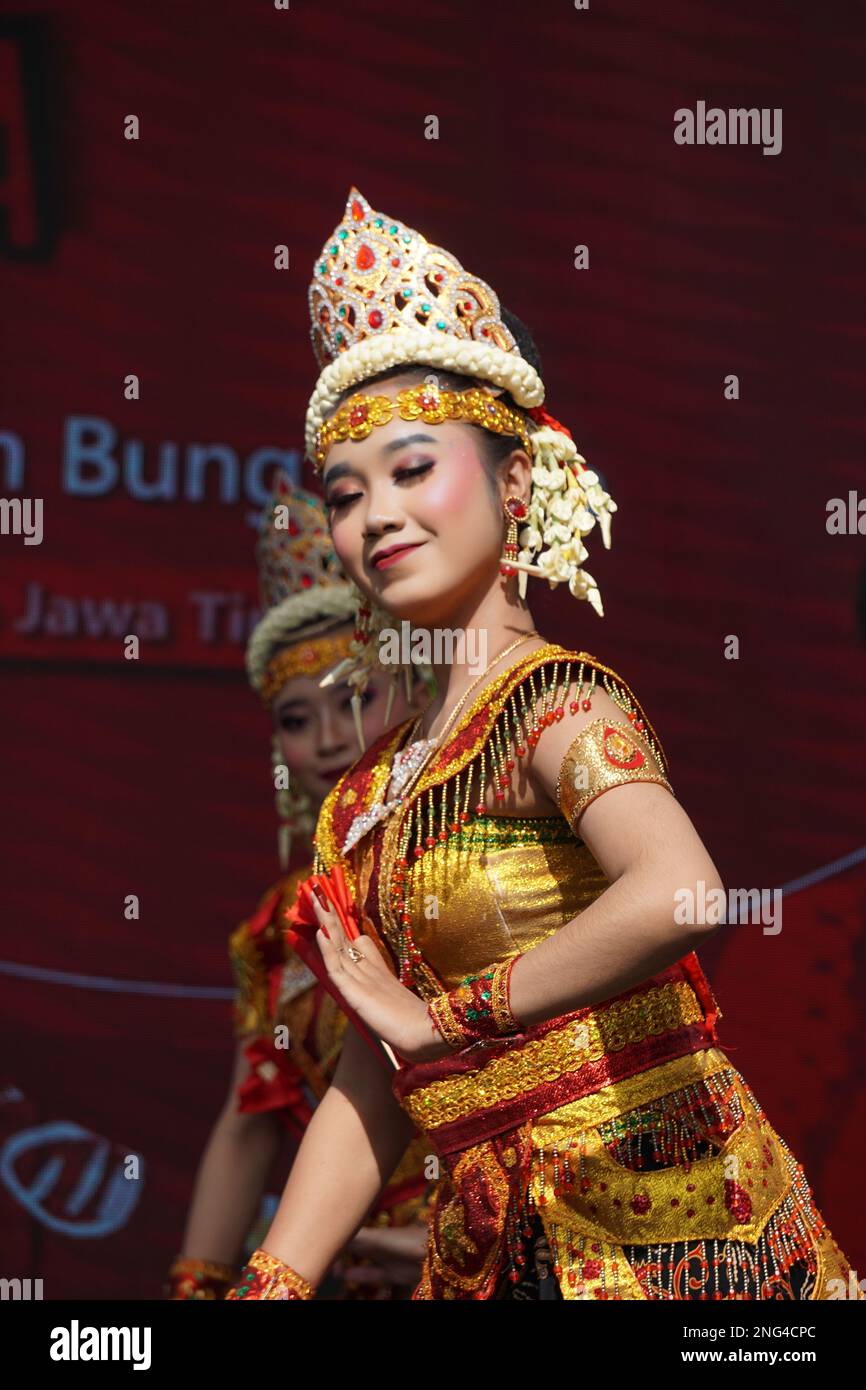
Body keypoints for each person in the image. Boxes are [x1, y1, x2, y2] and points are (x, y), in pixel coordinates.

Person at [226, 187, 859, 1301]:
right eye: (345, 490)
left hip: (668, 1233)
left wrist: (446, 1014)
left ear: (515, 481)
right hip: (491, 1252)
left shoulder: (548, 699)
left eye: (413, 469)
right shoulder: (359, 806)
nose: (375, 514)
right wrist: (270, 1280)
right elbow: (380, 1083)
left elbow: (680, 892)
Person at [167, 473, 433, 1300]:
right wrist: (199, 1286)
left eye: (352, 698)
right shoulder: (279, 927)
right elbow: (251, 1120)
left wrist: (447, 1239)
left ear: (418, 688)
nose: (324, 741)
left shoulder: (476, 863)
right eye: (293, 718)